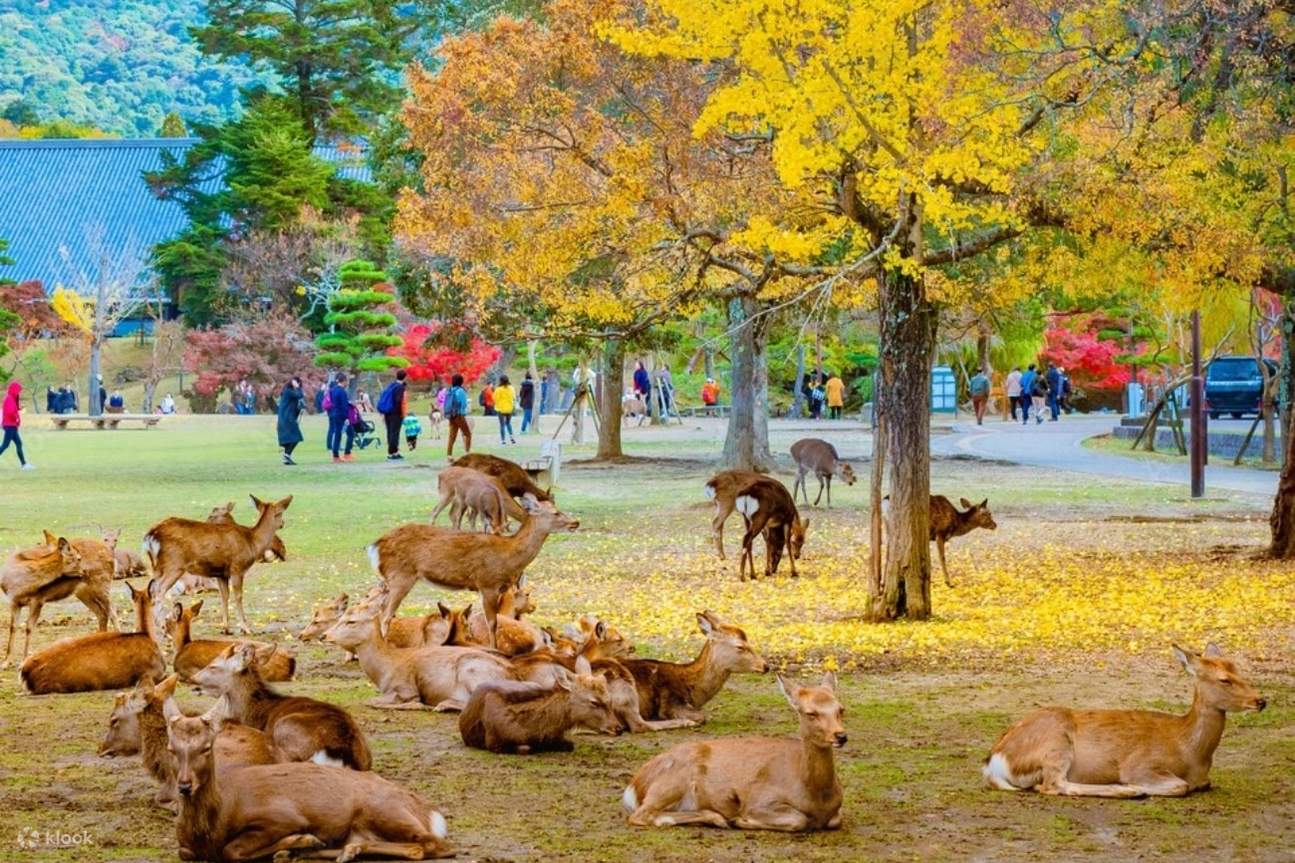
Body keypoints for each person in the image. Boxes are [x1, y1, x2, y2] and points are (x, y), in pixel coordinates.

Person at [377, 370, 409, 461]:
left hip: (388, 413)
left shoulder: (391, 385)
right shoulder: (400, 387)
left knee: (390, 432)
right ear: (405, 377)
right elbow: (398, 401)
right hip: (396, 413)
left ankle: (393, 452)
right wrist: (402, 414)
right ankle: (392, 453)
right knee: (395, 433)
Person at [1, 380, 31, 470]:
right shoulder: (9, 398)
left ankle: (24, 464)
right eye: (18, 391)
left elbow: (13, 409)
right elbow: (10, 412)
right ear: (14, 390)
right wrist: (17, 418)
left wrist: (19, 409)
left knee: (18, 443)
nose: (19, 392)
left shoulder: (12, 398)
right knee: (5, 445)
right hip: (9, 425)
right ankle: (24, 465)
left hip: (11, 425)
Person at [326, 374, 355, 463]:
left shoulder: (332, 390)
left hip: (334, 414)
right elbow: (344, 405)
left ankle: (337, 455)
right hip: (342, 415)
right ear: (344, 381)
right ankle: (345, 454)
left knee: (338, 434)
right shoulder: (342, 391)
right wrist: (346, 417)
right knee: (350, 434)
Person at [277, 377, 305, 466]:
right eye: (297, 382)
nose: (298, 384)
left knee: (292, 438)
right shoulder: (288, 391)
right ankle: (286, 455)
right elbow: (300, 395)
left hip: (288, 418)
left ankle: (286, 456)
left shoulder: (289, 392)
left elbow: (294, 404)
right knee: (295, 437)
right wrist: (298, 387)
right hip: (287, 418)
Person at [446, 373, 471, 458]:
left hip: (451, 415)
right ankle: (467, 453)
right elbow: (463, 404)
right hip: (459, 415)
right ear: (461, 381)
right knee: (467, 434)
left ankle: (449, 455)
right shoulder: (460, 391)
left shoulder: (450, 390)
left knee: (452, 436)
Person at [494, 374, 516, 445]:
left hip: (501, 409)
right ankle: (512, 437)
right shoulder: (511, 388)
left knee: (502, 424)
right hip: (509, 408)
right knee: (508, 423)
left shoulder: (498, 389)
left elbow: (495, 399)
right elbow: (514, 397)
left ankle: (503, 440)